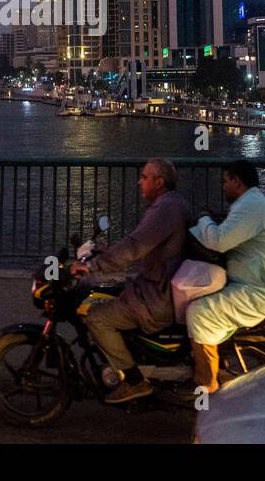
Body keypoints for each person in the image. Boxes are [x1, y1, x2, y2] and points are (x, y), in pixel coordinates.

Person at [70, 158, 193, 403]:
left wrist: (92, 266)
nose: (139, 182)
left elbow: (135, 246)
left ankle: (135, 382)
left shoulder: (165, 208)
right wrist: (106, 253)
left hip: (156, 296)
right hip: (158, 288)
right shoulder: (173, 203)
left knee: (96, 317)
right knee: (112, 294)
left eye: (145, 177)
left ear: (159, 182)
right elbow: (139, 245)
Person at [184, 160, 265, 395]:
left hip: (258, 291)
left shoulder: (249, 207)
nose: (223, 187)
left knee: (199, 313)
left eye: (225, 181)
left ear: (237, 181)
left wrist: (204, 218)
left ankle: (206, 386)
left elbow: (219, 241)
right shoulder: (259, 204)